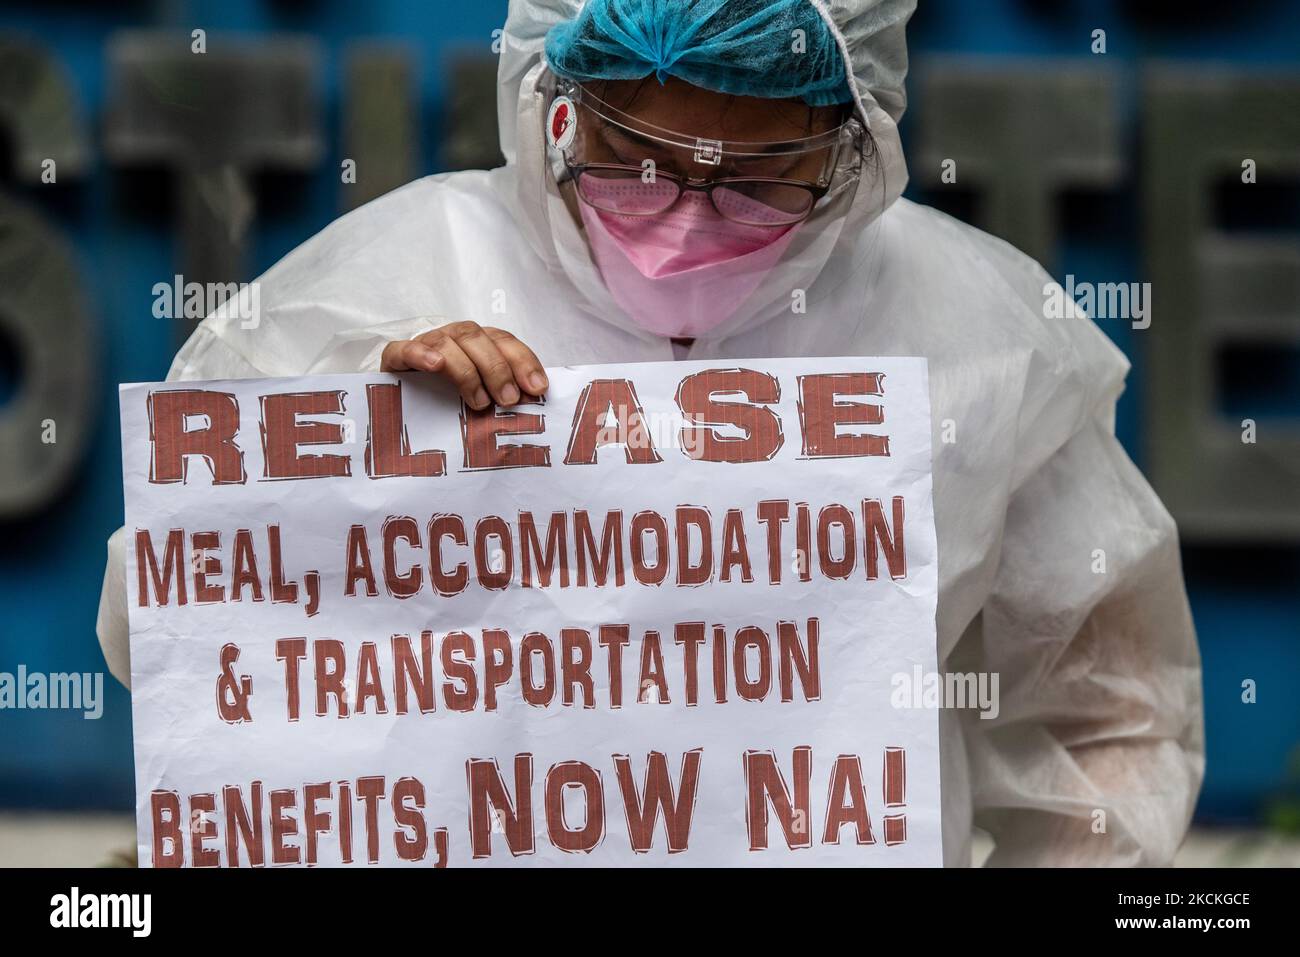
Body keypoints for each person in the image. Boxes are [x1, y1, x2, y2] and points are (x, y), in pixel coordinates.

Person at [96, 0, 1204, 866]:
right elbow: (169, 633)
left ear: (853, 143)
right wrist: (358, 427)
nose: (685, 222)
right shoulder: (389, 281)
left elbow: (1112, 712)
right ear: (554, 104)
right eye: (633, 162)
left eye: (765, 179)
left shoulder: (967, 331)